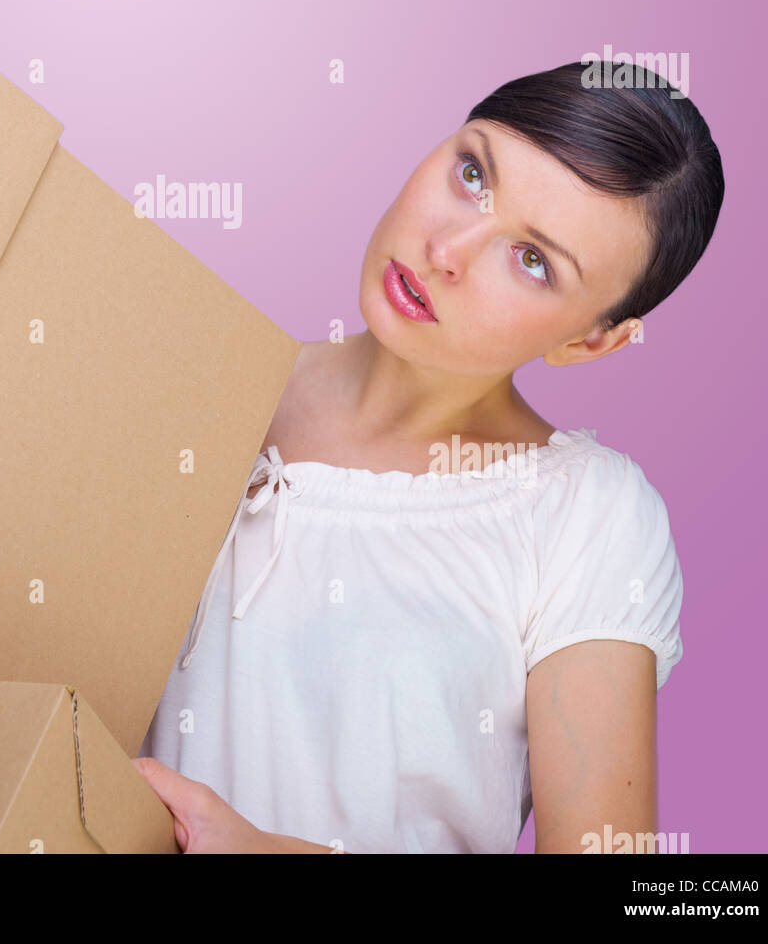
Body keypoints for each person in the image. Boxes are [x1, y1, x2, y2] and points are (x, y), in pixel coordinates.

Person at [133, 60, 724, 854]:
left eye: (533, 261)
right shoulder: (191, 384)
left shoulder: (585, 516)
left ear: (592, 340)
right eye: (472, 173)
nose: (448, 249)